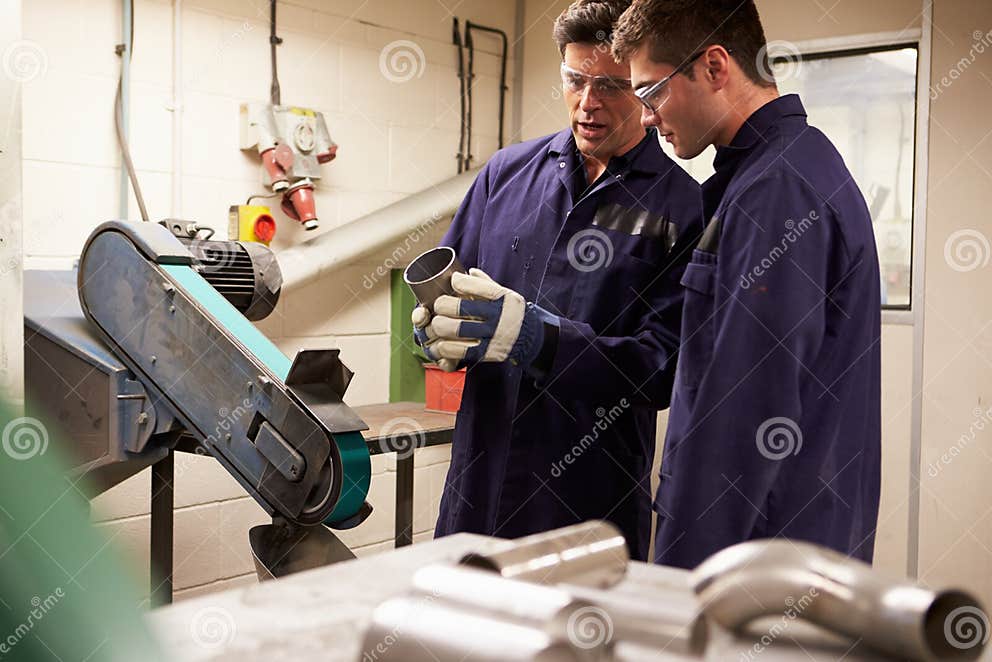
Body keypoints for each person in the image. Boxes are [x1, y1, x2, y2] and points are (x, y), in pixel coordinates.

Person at [413, 0, 703, 561]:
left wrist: (538, 339)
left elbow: (662, 370)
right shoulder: (506, 174)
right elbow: (451, 285)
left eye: (612, 87)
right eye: (575, 80)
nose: (588, 103)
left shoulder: (681, 211)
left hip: (588, 497)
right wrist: (435, 332)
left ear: (645, 93)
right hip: (480, 486)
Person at [612, 0, 881, 568]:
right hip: (785, 547)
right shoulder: (780, 173)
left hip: (758, 563)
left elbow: (745, 419)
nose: (647, 118)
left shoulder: (776, 193)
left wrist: (686, 587)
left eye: (651, 93)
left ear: (713, 67)